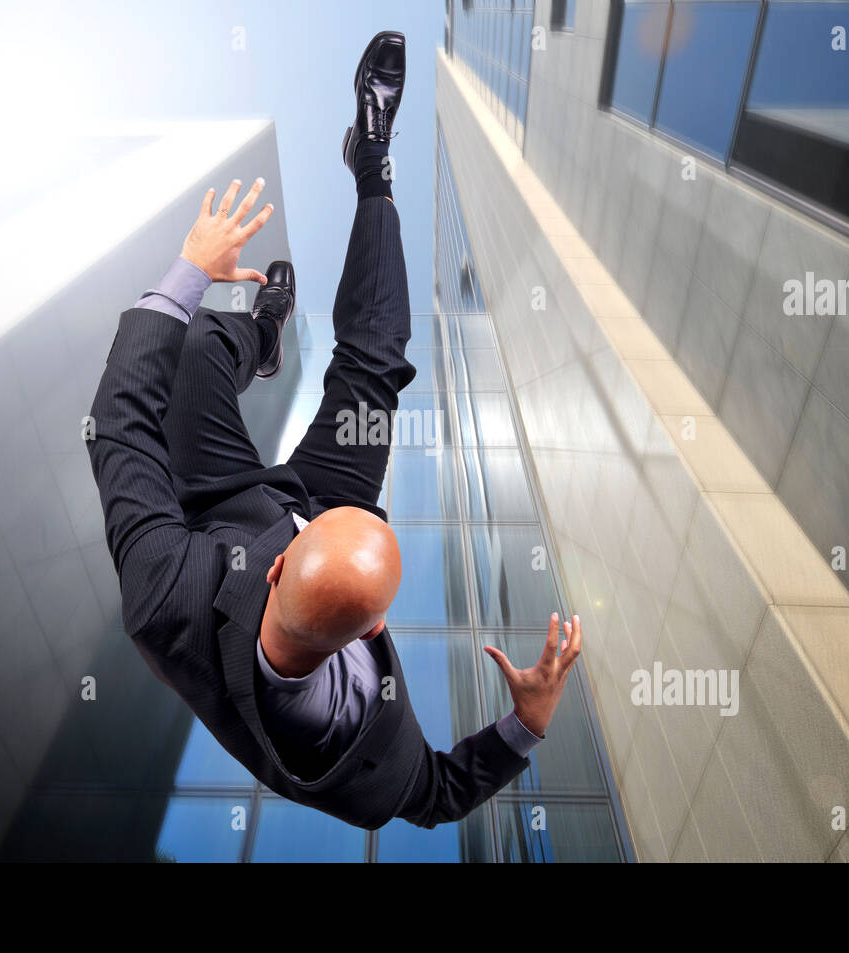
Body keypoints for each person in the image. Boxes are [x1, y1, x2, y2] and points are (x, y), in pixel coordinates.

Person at [87, 31, 581, 829]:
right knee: (377, 360)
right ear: (376, 626)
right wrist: (527, 721)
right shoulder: (384, 772)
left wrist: (190, 270)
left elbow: (118, 424)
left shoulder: (165, 598)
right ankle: (373, 159)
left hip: (222, 513)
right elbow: (447, 794)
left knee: (196, 347)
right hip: (320, 501)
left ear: (279, 566)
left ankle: (261, 331)